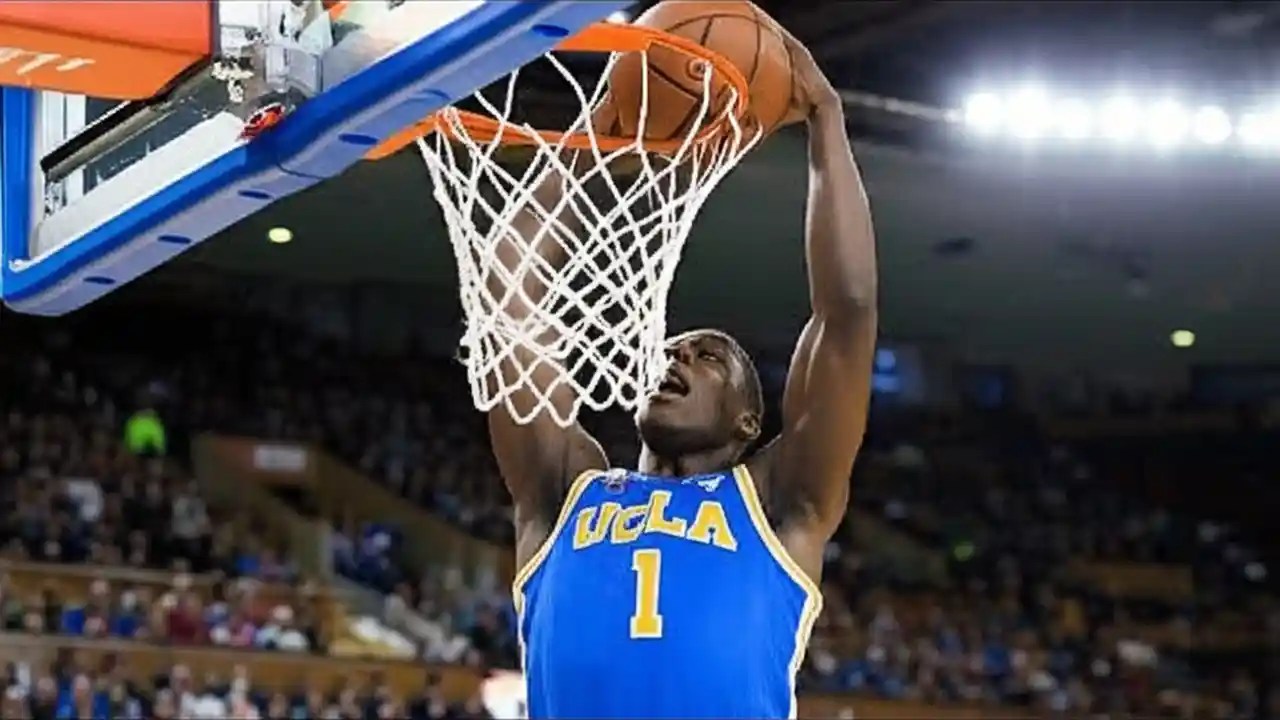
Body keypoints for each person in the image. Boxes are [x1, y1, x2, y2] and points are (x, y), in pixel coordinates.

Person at [487, 24, 877, 720]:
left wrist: (826, 121)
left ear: (749, 421)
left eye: (707, 357)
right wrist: (595, 136)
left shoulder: (778, 502)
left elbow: (846, 313)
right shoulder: (564, 489)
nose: (676, 359)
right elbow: (511, 294)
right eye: (669, 351)